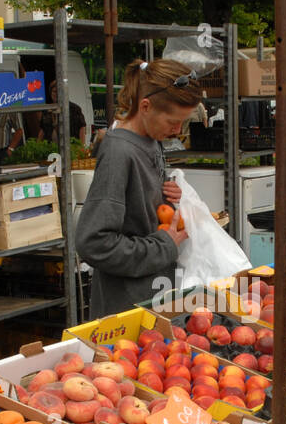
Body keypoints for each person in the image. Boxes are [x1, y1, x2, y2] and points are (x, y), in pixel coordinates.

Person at [74, 59, 196, 318]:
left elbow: (140, 213)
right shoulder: (119, 153)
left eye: (182, 122)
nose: (177, 130)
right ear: (145, 106)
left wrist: (170, 198)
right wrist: (165, 246)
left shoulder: (150, 139)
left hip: (154, 298)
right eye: (173, 121)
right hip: (126, 312)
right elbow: (93, 243)